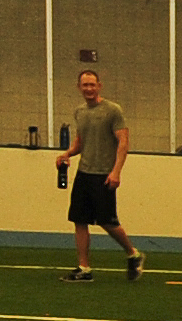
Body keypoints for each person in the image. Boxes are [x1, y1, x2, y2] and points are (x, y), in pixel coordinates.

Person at [56, 66, 137, 282]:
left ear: (99, 86)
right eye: (85, 85)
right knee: (79, 220)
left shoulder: (113, 111)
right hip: (84, 173)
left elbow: (123, 142)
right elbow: (80, 142)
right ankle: (84, 268)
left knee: (108, 222)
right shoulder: (80, 112)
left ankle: (133, 254)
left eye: (92, 84)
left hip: (104, 175)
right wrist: (67, 154)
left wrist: (116, 172)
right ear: (79, 87)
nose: (89, 88)